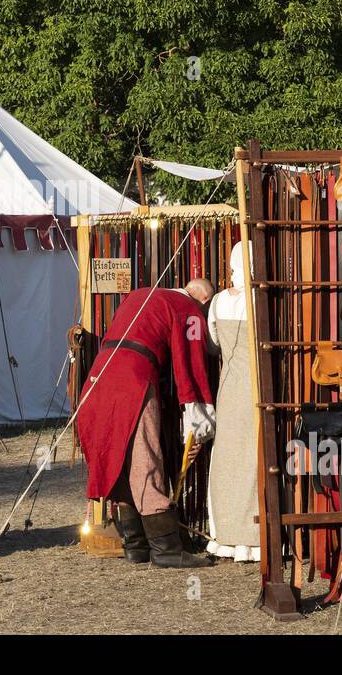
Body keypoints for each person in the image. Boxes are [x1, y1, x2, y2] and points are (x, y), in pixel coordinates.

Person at [77, 279, 216, 568]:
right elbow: (190, 366)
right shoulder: (188, 308)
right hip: (133, 379)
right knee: (145, 457)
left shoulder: (139, 295)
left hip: (99, 376)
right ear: (203, 301)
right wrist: (199, 425)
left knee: (121, 459)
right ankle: (165, 549)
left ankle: (136, 544)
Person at [205, 243, 261, 562]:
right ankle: (251, 538)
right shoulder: (260, 297)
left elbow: (213, 345)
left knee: (227, 460)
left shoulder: (216, 302)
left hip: (228, 388)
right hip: (255, 387)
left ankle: (227, 535)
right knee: (251, 460)